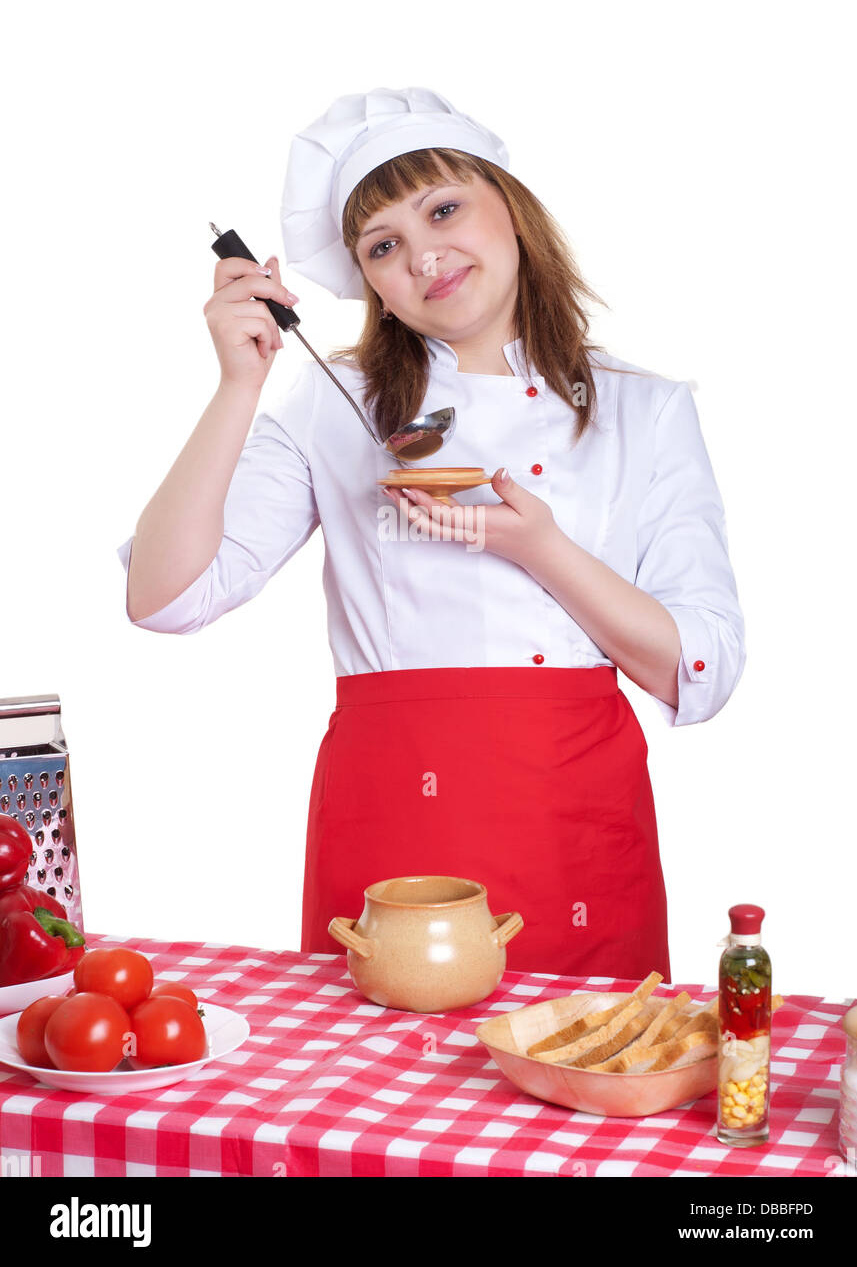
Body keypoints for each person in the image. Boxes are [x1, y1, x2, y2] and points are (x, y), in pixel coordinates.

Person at [117, 86, 745, 981]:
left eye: (444, 208)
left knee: (587, 1084)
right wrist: (236, 387)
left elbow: (705, 668)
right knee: (372, 1108)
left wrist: (537, 548)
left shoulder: (645, 409)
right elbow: (164, 598)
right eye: (383, 245)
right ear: (367, 280)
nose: (425, 257)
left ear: (511, 208)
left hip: (571, 818)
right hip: (394, 826)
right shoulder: (333, 411)